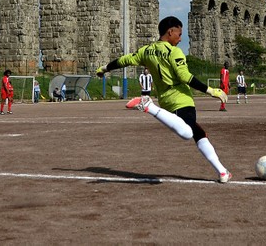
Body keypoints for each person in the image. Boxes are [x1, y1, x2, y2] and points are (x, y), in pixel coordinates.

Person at [96, 16, 232, 183]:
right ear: (170, 32)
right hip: (182, 99)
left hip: (166, 102)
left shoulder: (146, 50)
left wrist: (104, 68)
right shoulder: (173, 51)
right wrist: (211, 90)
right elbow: (184, 76)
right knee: (188, 133)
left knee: (199, 133)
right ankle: (149, 106)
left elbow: (124, 60)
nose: (180, 39)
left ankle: (222, 171)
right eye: (179, 34)